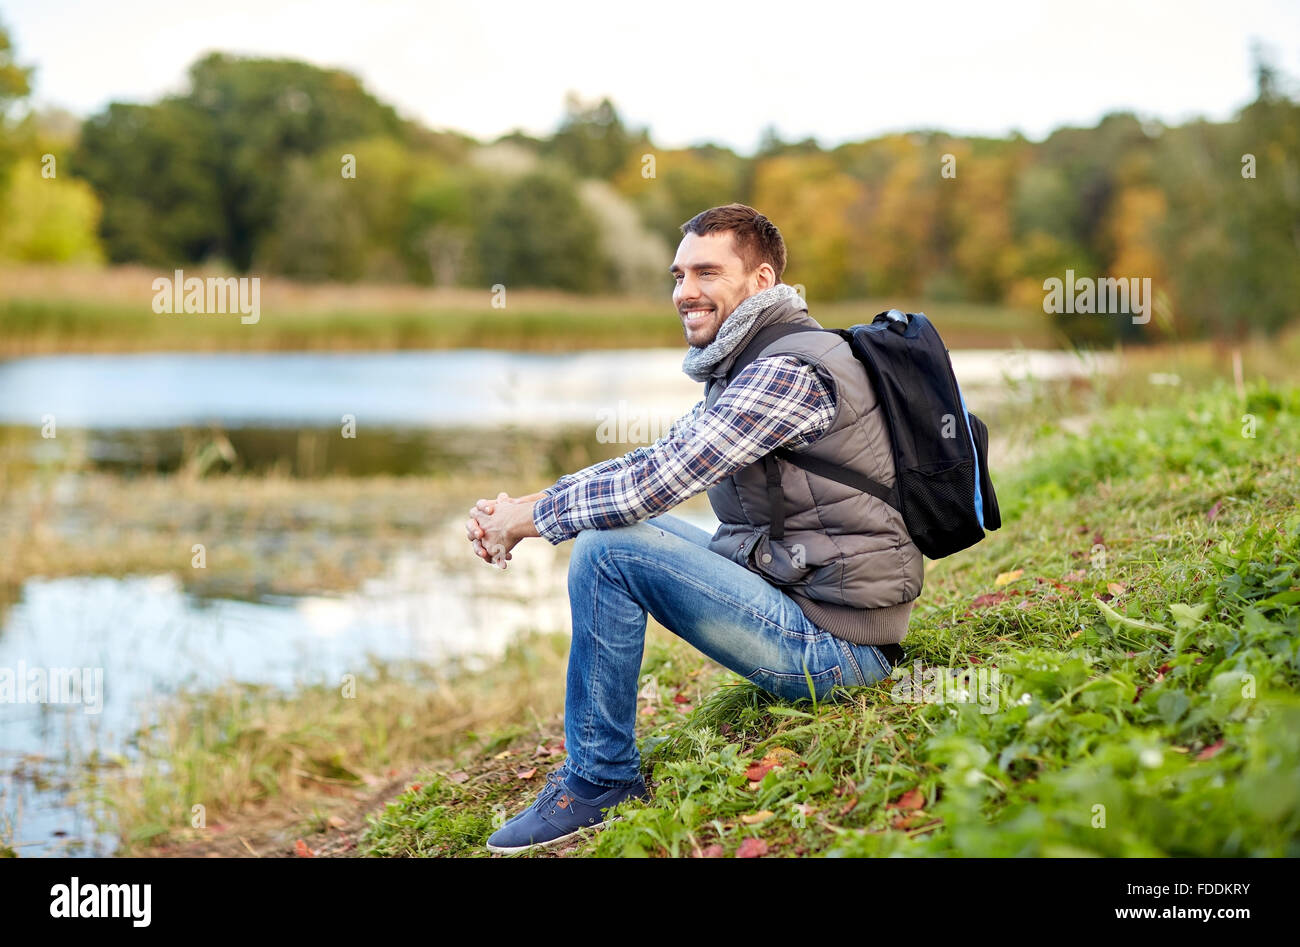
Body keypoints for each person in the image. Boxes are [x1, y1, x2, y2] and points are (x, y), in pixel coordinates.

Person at [465, 203, 922, 854]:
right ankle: (600, 771)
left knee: (607, 549)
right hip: (814, 608)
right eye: (677, 275)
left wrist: (530, 520)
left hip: (842, 651)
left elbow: (658, 478)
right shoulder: (755, 360)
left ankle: (599, 782)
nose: (685, 292)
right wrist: (530, 503)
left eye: (707, 272)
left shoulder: (786, 371)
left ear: (760, 283)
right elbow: (653, 460)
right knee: (627, 527)